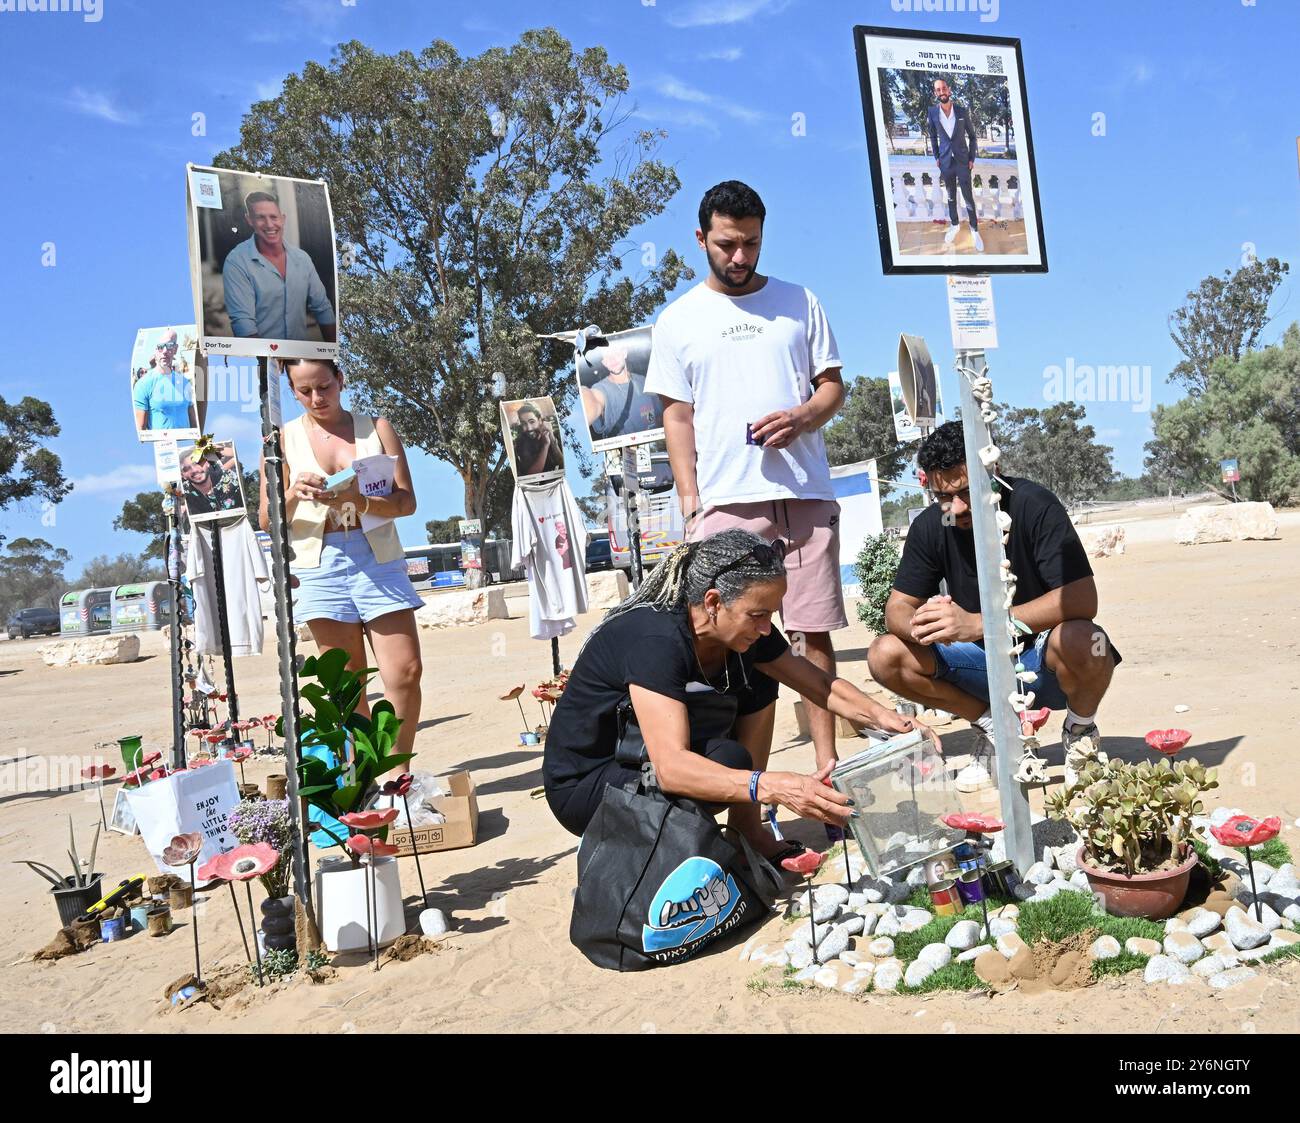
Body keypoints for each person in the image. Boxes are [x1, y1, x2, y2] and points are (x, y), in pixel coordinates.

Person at [544, 530, 931, 856]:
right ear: (713, 602)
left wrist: (890, 720)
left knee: (760, 680)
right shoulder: (656, 638)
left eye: (772, 615)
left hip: (636, 756)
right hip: (589, 787)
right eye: (758, 615)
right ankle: (642, 850)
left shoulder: (743, 631)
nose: (767, 628)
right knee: (731, 763)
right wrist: (769, 785)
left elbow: (817, 684)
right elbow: (671, 767)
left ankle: (748, 832)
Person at [644, 179, 849, 782]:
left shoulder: (799, 300)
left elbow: (832, 384)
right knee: (731, 643)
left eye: (752, 244)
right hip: (726, 504)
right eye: (728, 244)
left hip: (804, 494)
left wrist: (804, 415)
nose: (740, 257)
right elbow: (675, 417)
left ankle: (827, 768)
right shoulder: (677, 320)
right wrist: (691, 504)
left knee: (813, 634)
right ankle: (748, 782)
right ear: (701, 237)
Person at [866, 421, 1121, 791]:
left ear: (992, 470)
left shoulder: (1034, 505)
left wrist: (983, 624)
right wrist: (924, 625)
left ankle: (1080, 730)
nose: (955, 506)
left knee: (1087, 640)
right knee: (884, 654)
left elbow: (1082, 598)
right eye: (942, 496)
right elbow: (897, 609)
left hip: (1038, 659)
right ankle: (994, 730)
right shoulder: (933, 525)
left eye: (966, 492)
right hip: (976, 666)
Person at [259, 358, 424, 756]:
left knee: (404, 671)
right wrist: (295, 491)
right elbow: (267, 519)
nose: (316, 398)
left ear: (341, 379)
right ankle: (367, 775)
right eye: (304, 390)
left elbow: (406, 503)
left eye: (324, 387)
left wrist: (360, 500)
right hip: (319, 562)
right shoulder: (279, 440)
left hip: (376, 555)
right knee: (348, 685)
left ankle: (396, 772)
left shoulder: (377, 428)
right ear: (292, 390)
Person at [223, 191, 338, 343]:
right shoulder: (236, 261)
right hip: (262, 360)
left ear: (282, 219)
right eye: (260, 217)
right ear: (249, 220)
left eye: (273, 217)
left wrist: (332, 359)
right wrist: (266, 362)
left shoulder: (302, 259)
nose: (270, 224)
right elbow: (243, 324)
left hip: (300, 358)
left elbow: (323, 308)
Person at [927, 79, 984, 253]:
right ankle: (955, 225)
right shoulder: (932, 112)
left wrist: (972, 157)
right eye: (938, 89)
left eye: (944, 88)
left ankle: (974, 230)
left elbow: (973, 137)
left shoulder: (961, 111)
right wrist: (937, 156)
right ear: (935, 93)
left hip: (962, 161)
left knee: (968, 197)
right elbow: (933, 137)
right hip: (945, 163)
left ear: (949, 90)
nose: (941, 91)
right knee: (951, 197)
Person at [580, 342, 661, 441]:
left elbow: (659, 415)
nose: (612, 359)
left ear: (624, 353)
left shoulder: (644, 381)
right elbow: (590, 400)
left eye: (615, 353)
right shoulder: (601, 389)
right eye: (607, 357)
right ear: (604, 363)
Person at [133, 330, 197, 434]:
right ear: (155, 350)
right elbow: (141, 432)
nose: (165, 351)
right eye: (160, 347)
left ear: (175, 349)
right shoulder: (143, 384)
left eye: (170, 345)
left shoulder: (185, 383)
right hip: (161, 447)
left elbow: (194, 425)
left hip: (185, 445)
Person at [181, 445, 241, 517]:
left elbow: (237, 454)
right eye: (186, 469)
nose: (194, 470)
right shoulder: (183, 493)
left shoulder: (229, 480)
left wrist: (210, 447)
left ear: (207, 463)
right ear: (182, 475)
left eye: (197, 463)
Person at [512, 401, 563, 476]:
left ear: (540, 421)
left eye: (532, 422)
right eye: (524, 423)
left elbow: (564, 464)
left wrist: (551, 437)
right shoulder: (521, 442)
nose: (529, 428)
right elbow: (532, 474)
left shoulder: (557, 434)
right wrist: (545, 446)